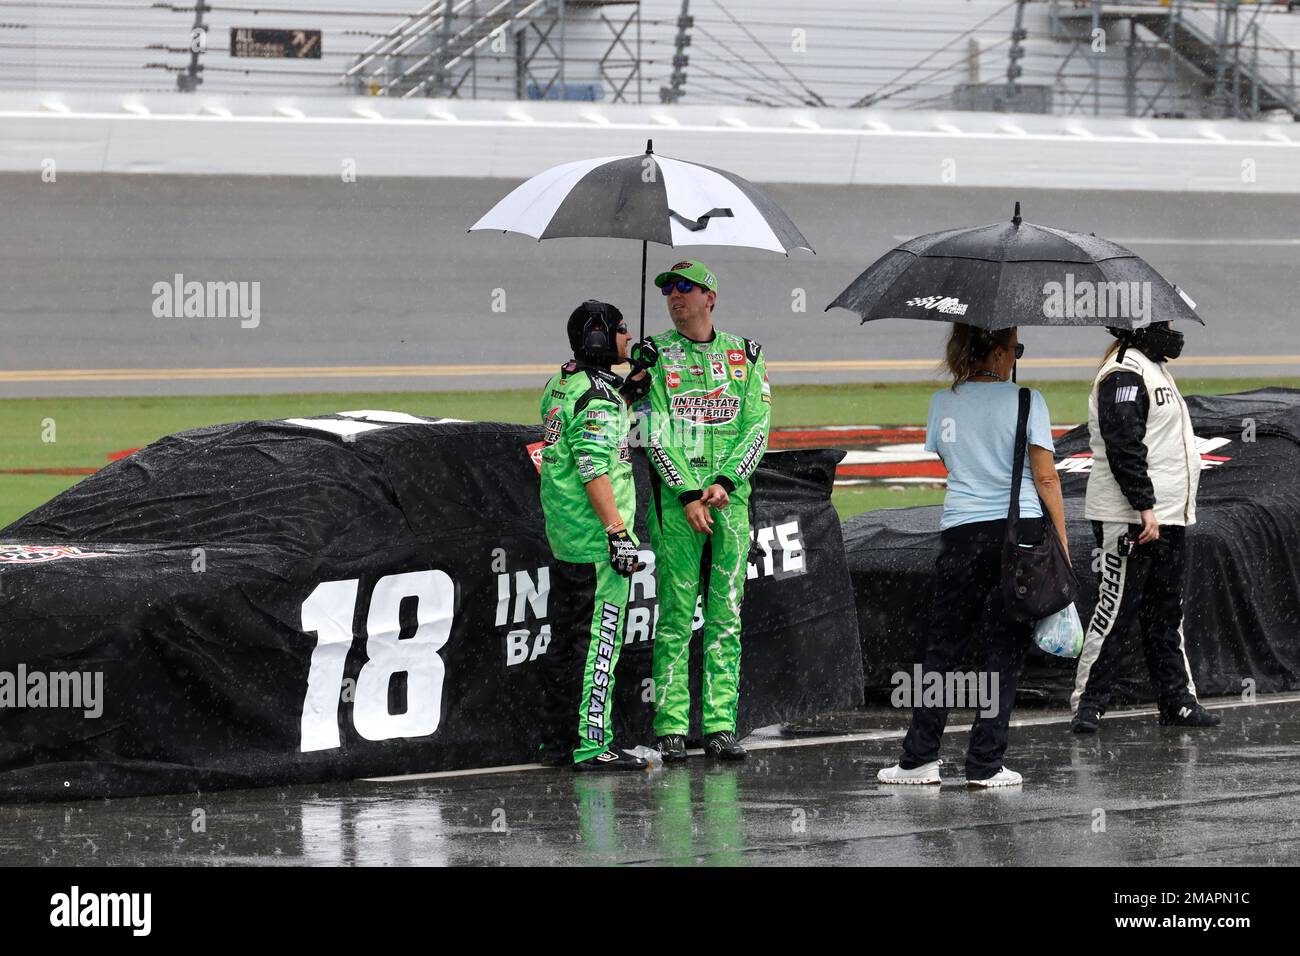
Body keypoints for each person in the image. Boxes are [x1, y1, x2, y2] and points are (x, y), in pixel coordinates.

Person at [878, 324, 1066, 788]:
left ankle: (919, 756)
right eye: (1015, 349)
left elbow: (953, 460)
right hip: (1017, 534)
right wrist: (1059, 543)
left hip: (960, 533)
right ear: (1001, 354)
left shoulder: (943, 401)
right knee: (1003, 651)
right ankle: (985, 763)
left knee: (943, 649)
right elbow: (1046, 480)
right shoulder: (1028, 400)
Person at [636, 260, 771, 762]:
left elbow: (757, 427)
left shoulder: (746, 353)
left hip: (730, 506)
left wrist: (724, 482)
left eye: (685, 288)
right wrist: (689, 494)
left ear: (710, 297)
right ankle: (670, 726)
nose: (674, 296)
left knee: (726, 616)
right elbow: (651, 431)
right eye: (668, 289)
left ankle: (719, 725)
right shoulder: (655, 356)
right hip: (678, 508)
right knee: (673, 616)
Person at [1070, 321, 1221, 732]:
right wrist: (1144, 506)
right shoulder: (1122, 372)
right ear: (1142, 327)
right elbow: (1123, 443)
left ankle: (1178, 703)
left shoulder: (1153, 368)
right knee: (1115, 609)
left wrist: (1161, 510)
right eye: (1166, 325)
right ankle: (1088, 704)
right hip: (1132, 518)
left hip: (1169, 516)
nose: (1174, 332)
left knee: (1166, 614)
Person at [537, 300, 649, 772]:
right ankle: (591, 744)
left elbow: (585, 424)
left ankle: (559, 740)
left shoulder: (562, 382)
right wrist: (618, 533)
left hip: (566, 537)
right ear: (601, 339)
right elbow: (592, 467)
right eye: (622, 331)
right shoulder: (599, 400)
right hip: (597, 543)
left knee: (566, 641)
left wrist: (629, 388)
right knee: (599, 643)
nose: (629, 338)